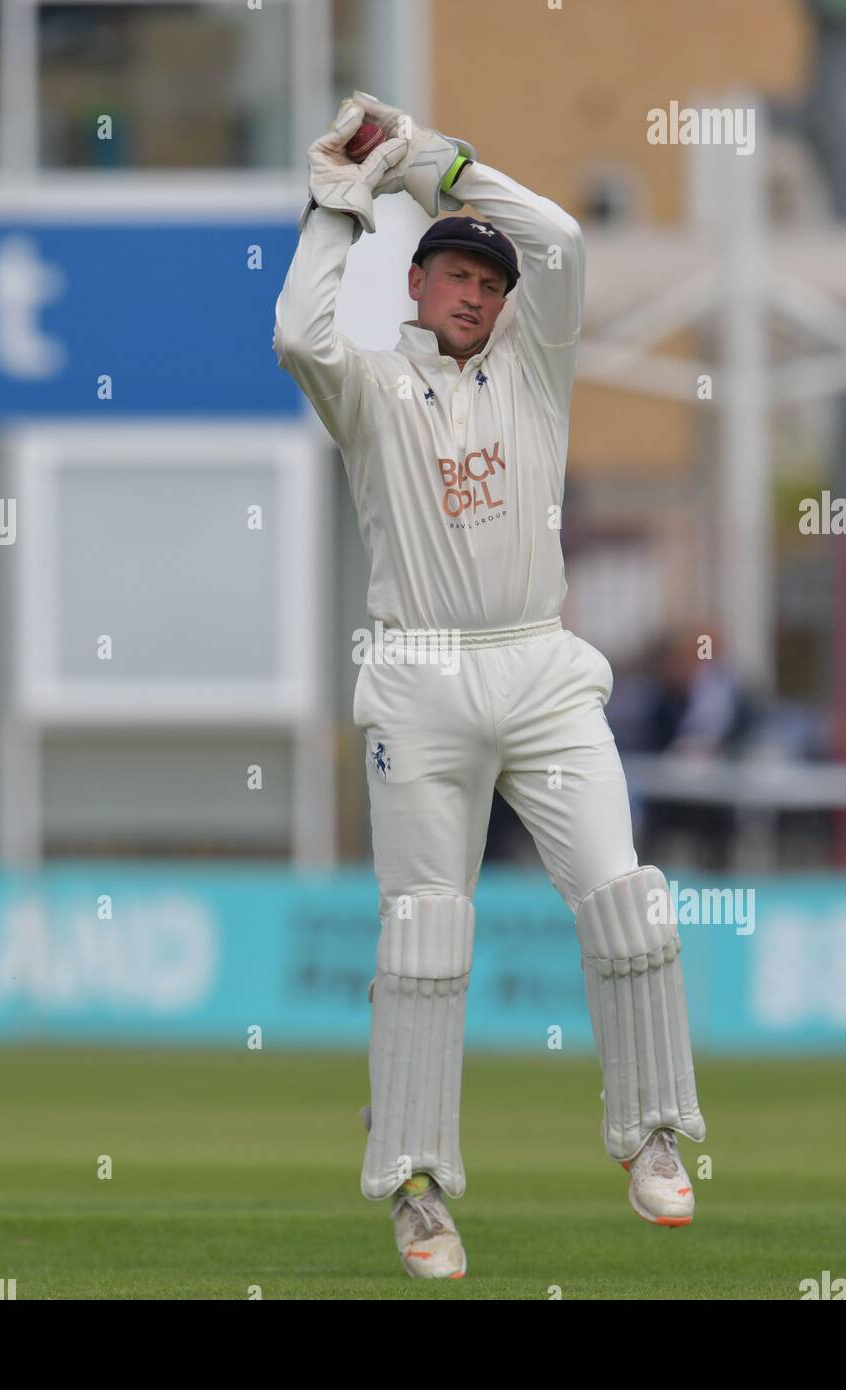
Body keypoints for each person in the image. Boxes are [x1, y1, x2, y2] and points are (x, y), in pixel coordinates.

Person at [273, 92, 704, 1279]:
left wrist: (427, 161)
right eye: (456, 274)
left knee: (626, 895)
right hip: (417, 676)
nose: (476, 293)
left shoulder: (534, 371)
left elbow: (560, 236)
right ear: (416, 284)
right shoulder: (368, 387)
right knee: (425, 934)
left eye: (488, 283)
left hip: (539, 662)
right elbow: (300, 336)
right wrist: (336, 205)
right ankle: (415, 1185)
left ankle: (654, 1132)